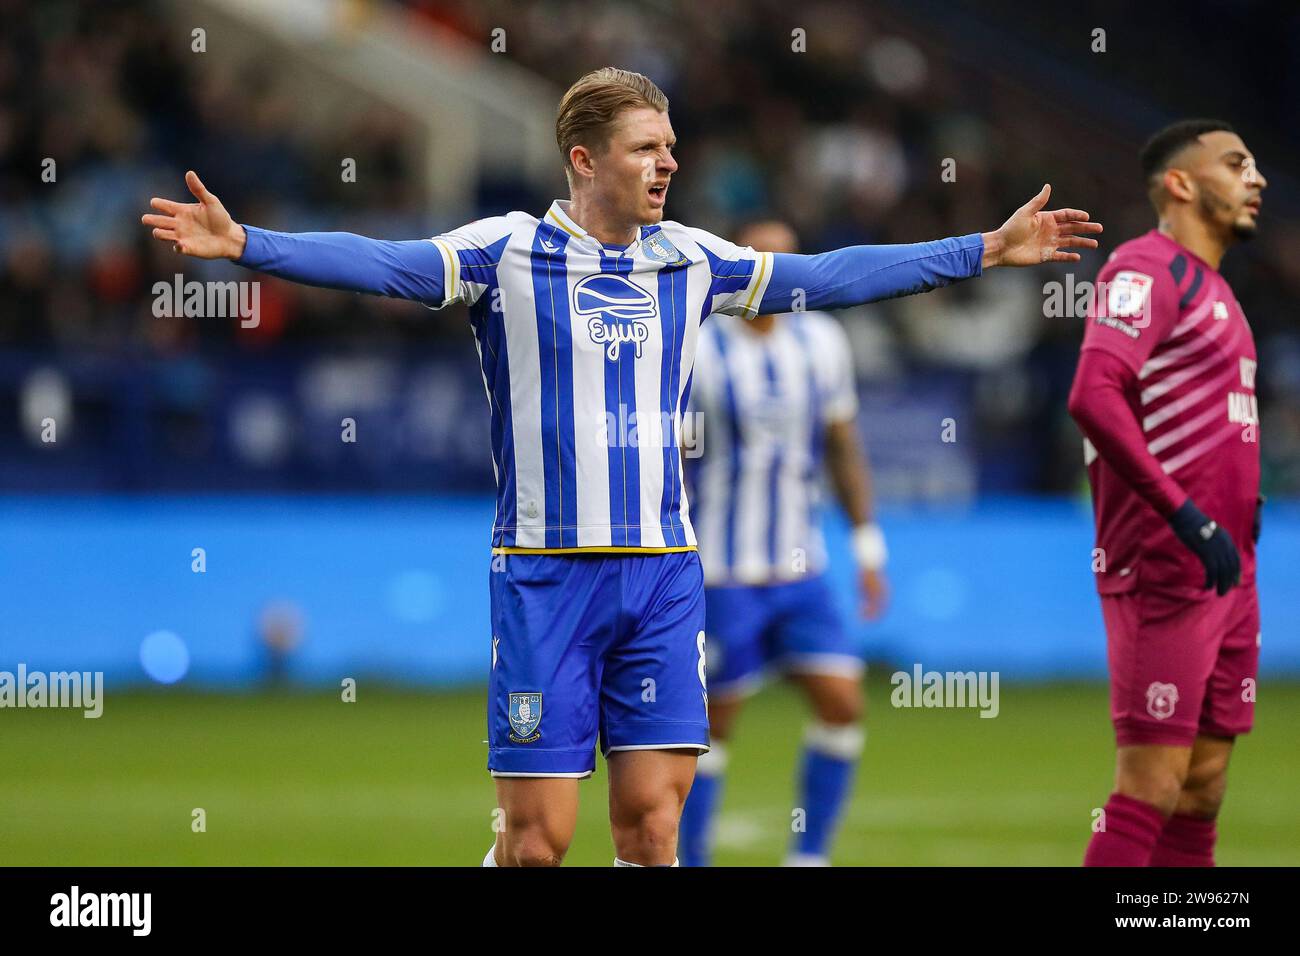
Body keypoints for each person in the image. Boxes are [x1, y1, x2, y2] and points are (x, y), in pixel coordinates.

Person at [141, 67, 1100, 867]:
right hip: (545, 576)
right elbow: (387, 264)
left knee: (652, 831)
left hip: (662, 576)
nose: (669, 164)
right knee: (536, 844)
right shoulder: (505, 252)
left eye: (672, 147)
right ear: (584, 159)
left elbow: (831, 278)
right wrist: (247, 246)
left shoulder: (691, 259)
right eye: (648, 148)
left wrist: (982, 250)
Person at [1067, 119, 1265, 866]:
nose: (1258, 180)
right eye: (1237, 164)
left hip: (1228, 566)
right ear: (1180, 183)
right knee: (1150, 784)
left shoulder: (1217, 291)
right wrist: (1183, 512)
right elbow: (1093, 392)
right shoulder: (1145, 269)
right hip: (1166, 559)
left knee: (1203, 787)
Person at [678, 219, 887, 867]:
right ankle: (689, 855)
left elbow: (842, 444)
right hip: (721, 567)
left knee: (843, 705)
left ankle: (809, 855)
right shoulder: (701, 345)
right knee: (712, 730)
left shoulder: (821, 339)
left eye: (793, 261)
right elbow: (674, 458)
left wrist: (867, 545)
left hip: (803, 565)